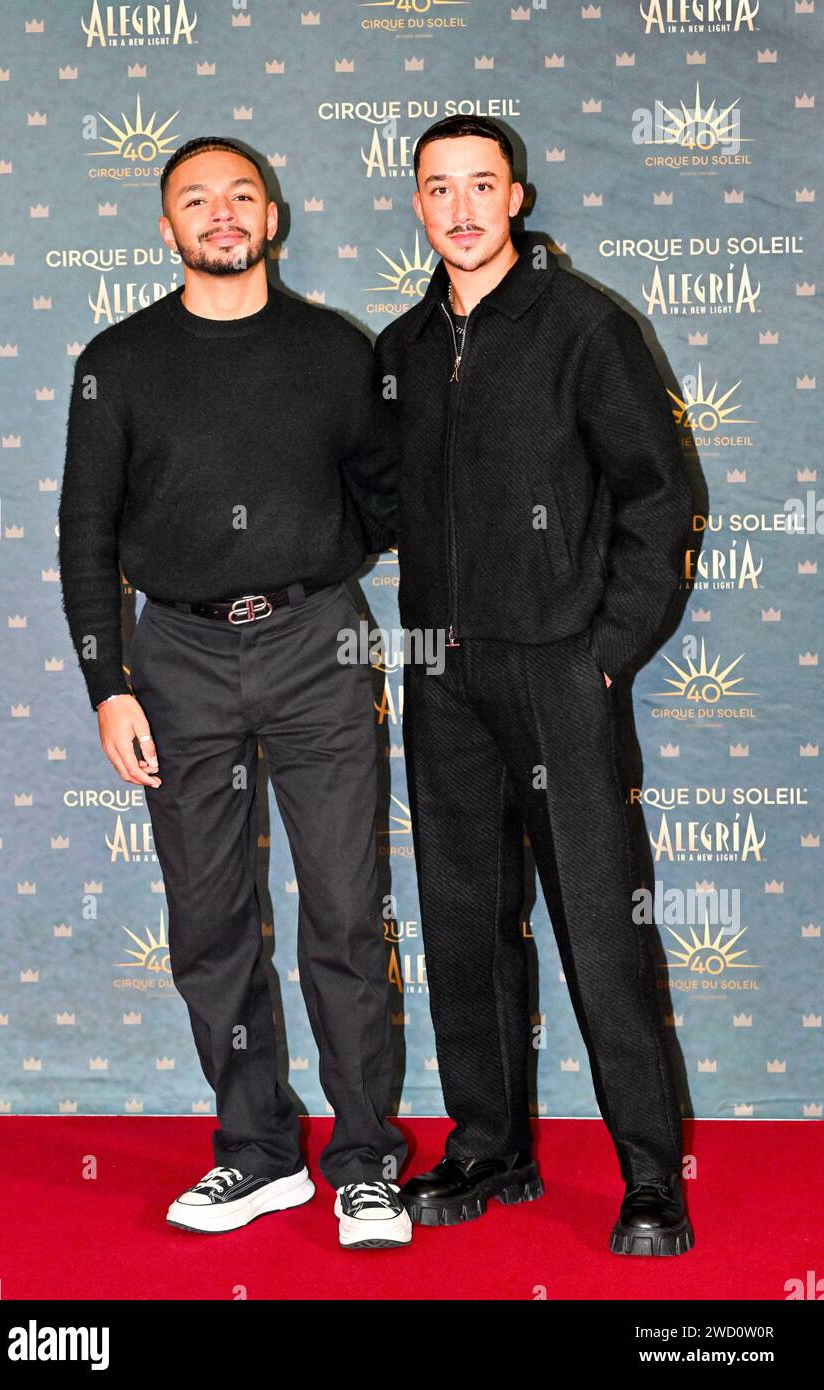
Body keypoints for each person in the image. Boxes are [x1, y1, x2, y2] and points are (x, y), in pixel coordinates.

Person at [58, 135, 410, 1249]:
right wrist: (107, 685)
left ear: (273, 216)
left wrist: (308, 574)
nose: (220, 214)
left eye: (240, 196)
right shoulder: (117, 359)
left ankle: (363, 1161)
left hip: (317, 646)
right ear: (166, 230)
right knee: (210, 921)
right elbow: (84, 536)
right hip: (176, 661)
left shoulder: (332, 350)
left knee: (346, 916)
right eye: (195, 201)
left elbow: (383, 498)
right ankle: (258, 1153)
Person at [375, 115, 696, 1256]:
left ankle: (649, 1178)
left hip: (557, 671)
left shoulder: (584, 328)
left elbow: (661, 499)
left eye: (479, 185)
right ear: (415, 203)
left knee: (599, 931)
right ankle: (488, 1145)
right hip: (441, 674)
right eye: (435, 188)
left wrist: (599, 648)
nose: (458, 208)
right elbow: (381, 502)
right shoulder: (404, 345)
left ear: (515, 194)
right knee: (463, 922)